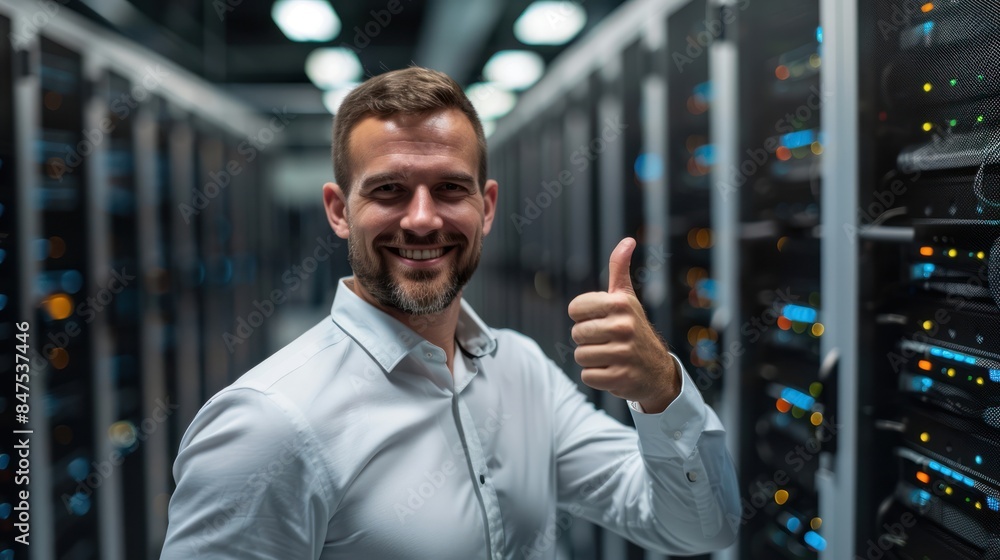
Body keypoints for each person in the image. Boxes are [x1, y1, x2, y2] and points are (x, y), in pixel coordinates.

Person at [160, 67, 739, 560]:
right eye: (388, 190)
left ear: (485, 207)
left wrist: (661, 391)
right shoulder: (266, 426)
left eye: (449, 189)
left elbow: (699, 527)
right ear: (339, 210)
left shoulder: (522, 370)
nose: (422, 219)